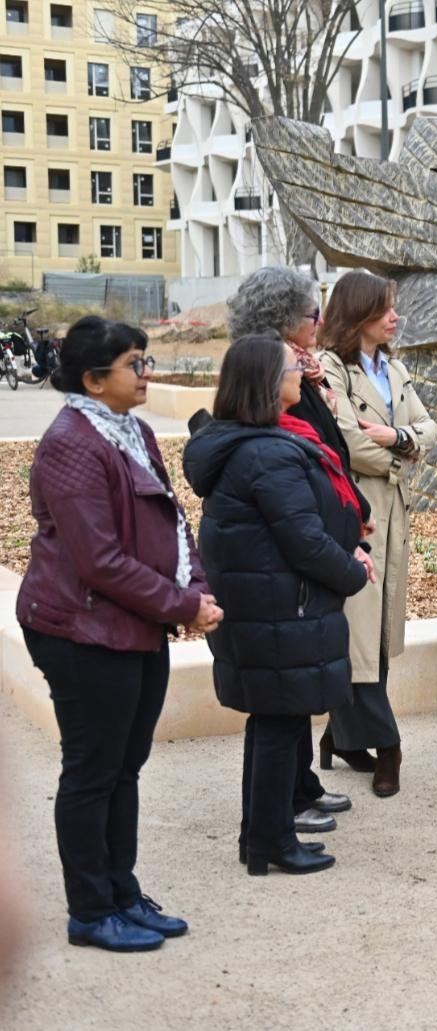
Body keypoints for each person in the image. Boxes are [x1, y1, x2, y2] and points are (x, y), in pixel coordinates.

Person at [17, 315, 222, 951]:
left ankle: (122, 891)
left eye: (146, 359)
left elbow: (171, 518)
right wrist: (182, 607)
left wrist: (196, 587)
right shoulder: (71, 443)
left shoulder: (129, 428)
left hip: (133, 627)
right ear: (92, 378)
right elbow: (97, 559)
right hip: (81, 632)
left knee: (125, 766)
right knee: (92, 770)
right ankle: (90, 910)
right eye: (135, 364)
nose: (147, 373)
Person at [183, 333, 372, 875]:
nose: (302, 372)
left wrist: (350, 539)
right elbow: (304, 540)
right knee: (276, 725)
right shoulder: (266, 452)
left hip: (273, 607)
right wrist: (353, 569)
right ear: (268, 382)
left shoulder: (262, 441)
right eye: (293, 367)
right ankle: (268, 843)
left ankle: (264, 838)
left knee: (276, 723)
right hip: (277, 610)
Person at [226, 265, 372, 833]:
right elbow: (296, 503)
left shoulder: (298, 372)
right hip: (284, 585)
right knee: (281, 704)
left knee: (293, 697)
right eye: (312, 314)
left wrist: (350, 519)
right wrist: (344, 554)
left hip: (301, 576)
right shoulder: (269, 387)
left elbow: (330, 452)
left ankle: (299, 788)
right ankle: (274, 823)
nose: (319, 324)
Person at [318, 271, 437, 796]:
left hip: (394, 508)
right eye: (386, 308)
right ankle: (385, 743)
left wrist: (397, 437)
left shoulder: (393, 367)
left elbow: (430, 429)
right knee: (360, 629)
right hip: (357, 505)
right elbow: (346, 443)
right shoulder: (329, 369)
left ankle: (341, 738)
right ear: (359, 313)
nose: (395, 317)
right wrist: (400, 456)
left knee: (380, 633)